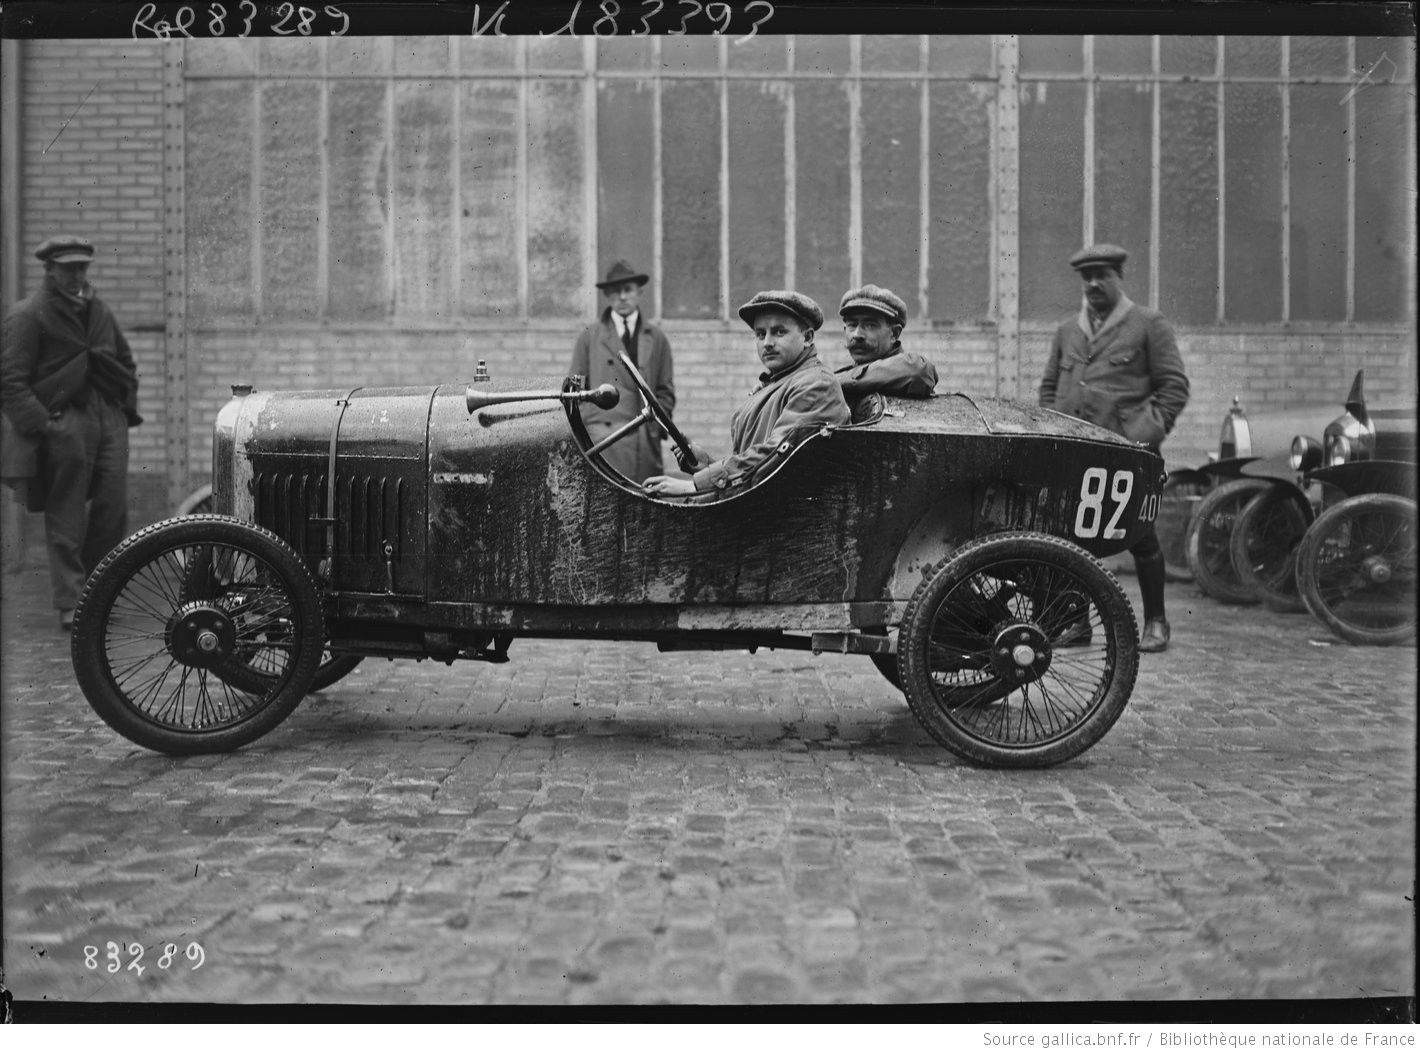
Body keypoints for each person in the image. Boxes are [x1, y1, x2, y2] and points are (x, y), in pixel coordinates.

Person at [1038, 243, 1189, 653]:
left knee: (1142, 538)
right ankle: (1075, 622)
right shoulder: (1068, 330)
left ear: (1118, 277)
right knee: (1070, 536)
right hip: (1075, 453)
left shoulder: (1147, 324)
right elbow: (1050, 386)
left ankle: (1157, 621)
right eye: (1086, 277)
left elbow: (1173, 389)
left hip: (1128, 456)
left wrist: (1138, 439)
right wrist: (1054, 426)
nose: (1093, 284)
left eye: (1101, 275)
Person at [1, 236, 141, 631]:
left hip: (107, 418)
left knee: (113, 508)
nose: (77, 275)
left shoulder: (98, 309)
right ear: (49, 269)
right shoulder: (28, 315)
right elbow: (11, 383)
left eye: (82, 267)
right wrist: (46, 425)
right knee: (67, 512)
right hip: (66, 421)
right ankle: (71, 602)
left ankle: (98, 594)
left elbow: (124, 361)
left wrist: (122, 407)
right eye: (69, 268)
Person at [643, 290, 850, 498]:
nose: (767, 342)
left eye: (779, 332)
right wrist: (708, 465)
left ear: (807, 337)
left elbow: (776, 455)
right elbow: (757, 473)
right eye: (760, 334)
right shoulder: (778, 382)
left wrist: (696, 485)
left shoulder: (816, 383)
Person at [569, 260, 676, 483]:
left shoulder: (656, 338)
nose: (623, 296)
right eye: (616, 291)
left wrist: (654, 428)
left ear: (639, 292)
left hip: (644, 443)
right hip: (605, 442)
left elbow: (665, 392)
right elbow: (574, 394)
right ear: (607, 295)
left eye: (628, 290)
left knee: (646, 506)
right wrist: (594, 428)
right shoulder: (589, 337)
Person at [834, 283, 938, 401]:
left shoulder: (908, 371)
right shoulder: (846, 376)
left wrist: (833, 383)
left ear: (894, 333)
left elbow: (919, 372)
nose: (857, 334)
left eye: (870, 325)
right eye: (852, 325)